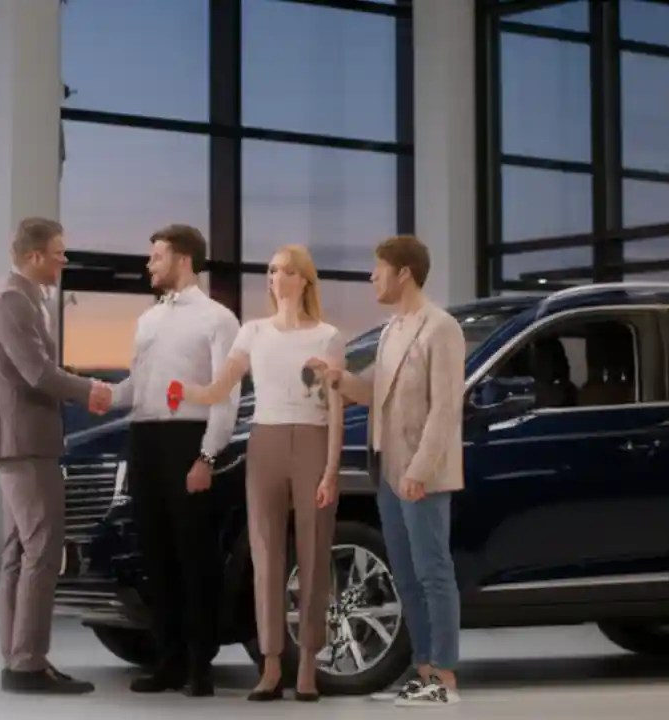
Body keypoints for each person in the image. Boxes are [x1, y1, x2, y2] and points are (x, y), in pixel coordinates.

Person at [180, 244, 344, 703]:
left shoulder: (329, 336)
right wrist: (184, 389)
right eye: (272, 271)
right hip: (265, 440)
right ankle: (272, 664)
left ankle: (308, 663)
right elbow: (219, 388)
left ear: (305, 281)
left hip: (313, 440)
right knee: (266, 554)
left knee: (314, 554)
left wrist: (331, 470)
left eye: (287, 271)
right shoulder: (252, 332)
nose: (277, 278)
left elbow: (334, 409)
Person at [311, 235, 465, 707]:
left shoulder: (441, 328)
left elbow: (445, 409)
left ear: (403, 273)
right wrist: (338, 381)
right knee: (405, 573)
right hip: (388, 468)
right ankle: (422, 670)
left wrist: (420, 468)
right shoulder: (391, 330)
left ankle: (445, 675)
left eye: (378, 268)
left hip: (421, 471)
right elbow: (375, 394)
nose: (372, 277)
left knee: (433, 571)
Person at [0, 217, 112, 695]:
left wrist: (72, 379)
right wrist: (89, 391)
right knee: (43, 550)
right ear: (34, 256)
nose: (63, 260)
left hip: (17, 441)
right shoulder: (13, 299)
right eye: (58, 252)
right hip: (25, 442)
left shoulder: (19, 297)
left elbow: (35, 366)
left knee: (19, 551)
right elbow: (36, 372)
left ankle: (19, 659)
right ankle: (28, 663)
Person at [108, 224, 241, 697]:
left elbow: (226, 397)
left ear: (183, 259)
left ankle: (199, 667)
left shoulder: (219, 320)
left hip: (189, 442)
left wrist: (207, 455)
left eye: (157, 256)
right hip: (143, 439)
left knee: (196, 558)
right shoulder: (147, 321)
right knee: (156, 556)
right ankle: (167, 661)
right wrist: (104, 394)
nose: (150, 265)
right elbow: (136, 385)